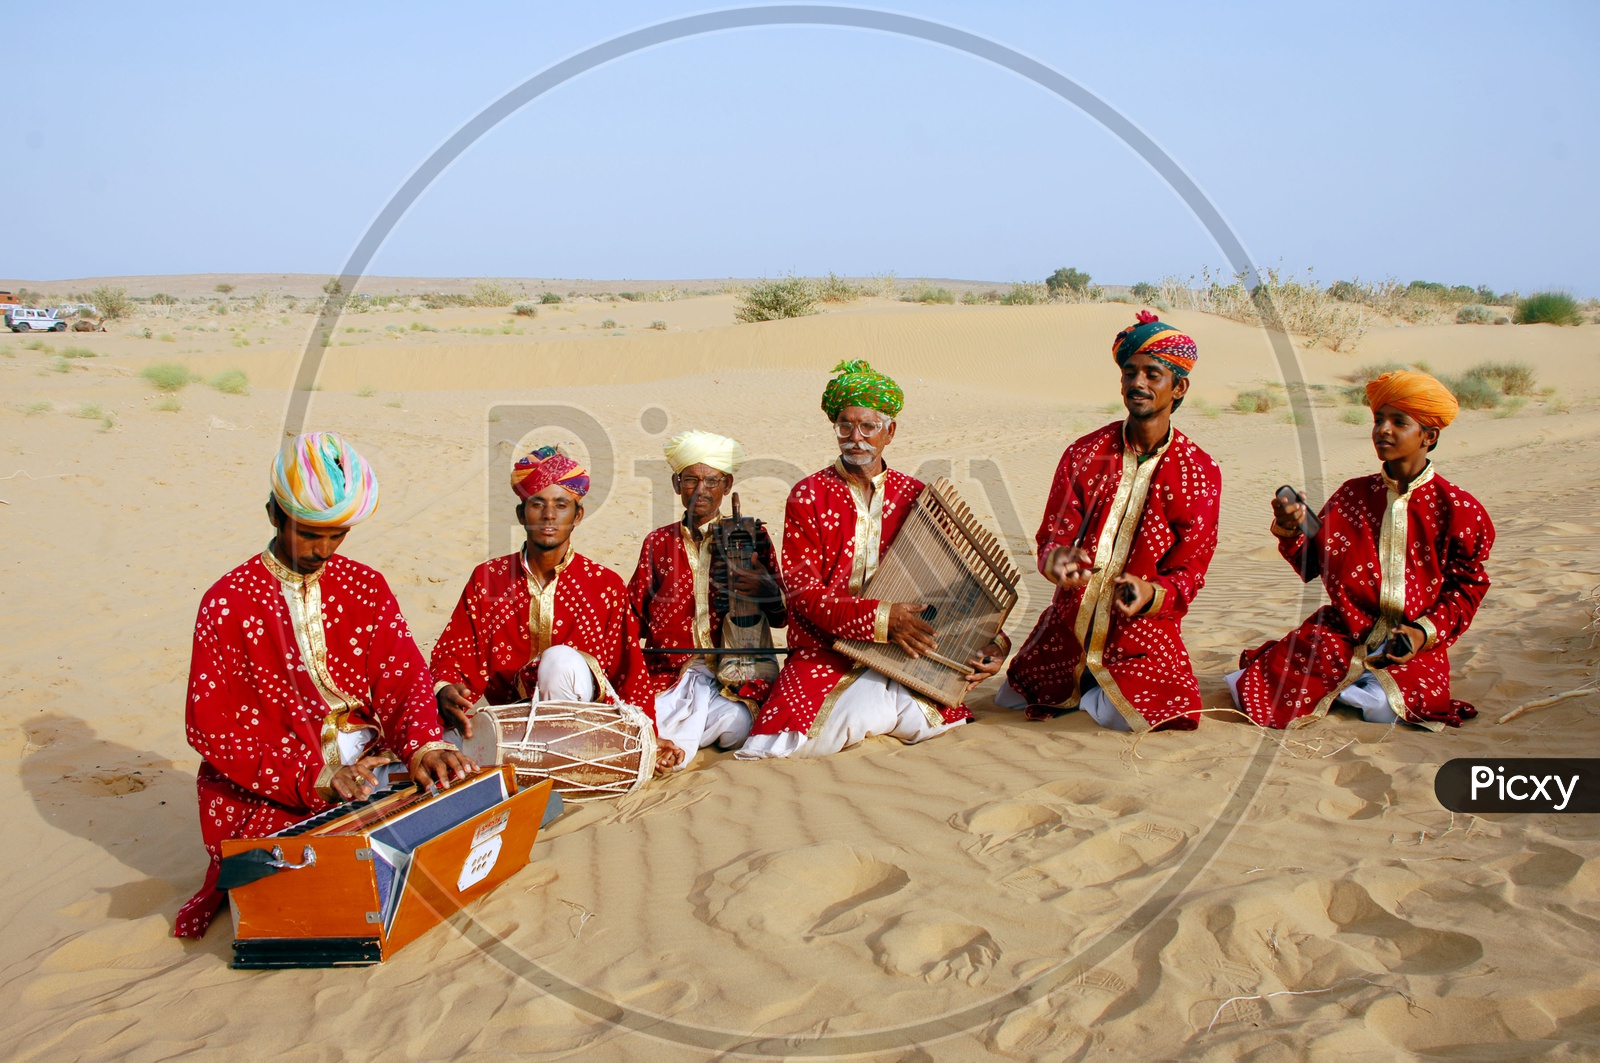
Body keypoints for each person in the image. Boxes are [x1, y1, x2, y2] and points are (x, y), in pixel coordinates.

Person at [177, 432, 473, 939]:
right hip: (280, 773)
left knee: (457, 775)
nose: (324, 550)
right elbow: (210, 729)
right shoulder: (227, 602)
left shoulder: (366, 585)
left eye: (337, 535)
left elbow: (401, 676)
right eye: (310, 533)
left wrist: (423, 744)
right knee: (298, 874)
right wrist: (313, 777)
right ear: (274, 514)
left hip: (369, 755)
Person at [740, 360, 1005, 759]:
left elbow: (955, 588)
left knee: (941, 720)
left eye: (868, 427)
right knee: (780, 746)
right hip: (824, 648)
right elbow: (803, 595)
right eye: (844, 426)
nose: (855, 438)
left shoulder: (917, 497)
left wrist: (993, 643)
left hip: (906, 651)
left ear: (889, 432)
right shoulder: (808, 495)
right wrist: (883, 619)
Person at [1228, 370, 1494, 729]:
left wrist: (1420, 633)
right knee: (1265, 687)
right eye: (1378, 420)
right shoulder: (1352, 495)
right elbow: (1311, 564)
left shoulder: (1458, 509)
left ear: (1428, 436)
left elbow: (1467, 590)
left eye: (1398, 422)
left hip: (1412, 643)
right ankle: (1344, 685)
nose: (1382, 430)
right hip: (1345, 631)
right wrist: (1290, 528)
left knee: (1393, 705)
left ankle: (1353, 688)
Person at [996, 311, 1222, 731]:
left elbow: (1191, 570)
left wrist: (1151, 592)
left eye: (1153, 374)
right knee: (1011, 698)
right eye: (1130, 373)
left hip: (1140, 634)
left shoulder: (1199, 471)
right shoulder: (1084, 453)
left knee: (1158, 715)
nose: (1138, 384)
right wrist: (1057, 559)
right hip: (1067, 629)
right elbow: (1053, 535)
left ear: (1179, 387)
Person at [430, 440, 680, 769]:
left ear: (578, 515)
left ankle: (563, 758)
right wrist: (446, 690)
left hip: (583, 724)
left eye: (561, 505)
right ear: (522, 514)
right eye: (537, 504)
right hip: (511, 720)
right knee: (438, 741)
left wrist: (649, 735)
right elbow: (455, 653)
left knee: (559, 662)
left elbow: (628, 671)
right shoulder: (488, 579)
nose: (549, 515)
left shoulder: (604, 584)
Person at [628, 430, 785, 768]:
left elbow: (781, 615)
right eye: (690, 480)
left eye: (711, 481)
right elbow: (633, 616)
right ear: (675, 484)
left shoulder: (751, 537)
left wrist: (764, 590)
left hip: (733, 676)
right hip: (670, 675)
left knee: (739, 725)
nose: (700, 490)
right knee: (663, 711)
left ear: (726, 486)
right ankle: (678, 743)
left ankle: (670, 743)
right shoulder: (658, 543)